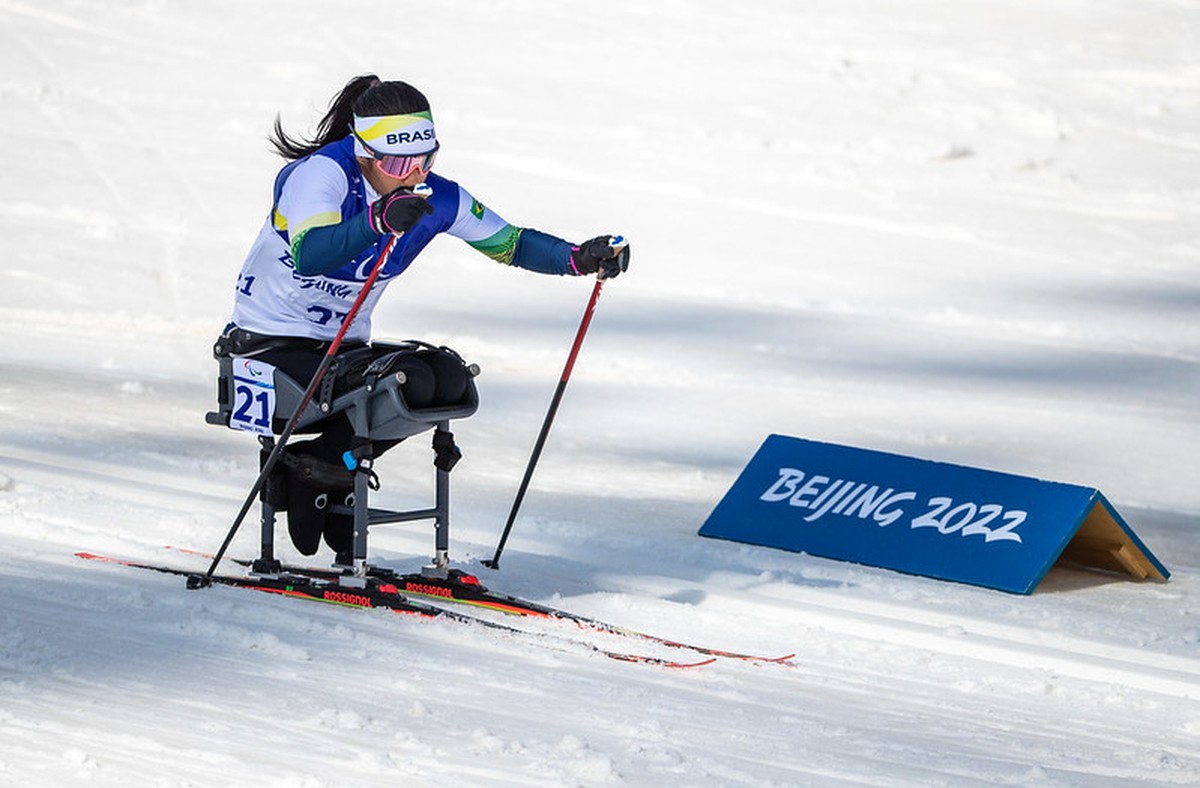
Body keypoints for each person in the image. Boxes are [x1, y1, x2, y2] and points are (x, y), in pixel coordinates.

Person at [220, 74, 630, 561]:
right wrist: (375, 221)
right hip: (269, 345)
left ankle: (322, 465)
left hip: (341, 350)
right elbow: (312, 255)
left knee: (448, 380)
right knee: (406, 381)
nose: (413, 174)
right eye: (397, 163)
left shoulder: (434, 196)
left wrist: (580, 258)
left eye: (425, 159)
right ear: (363, 151)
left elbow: (511, 242)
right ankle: (323, 468)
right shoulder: (320, 175)